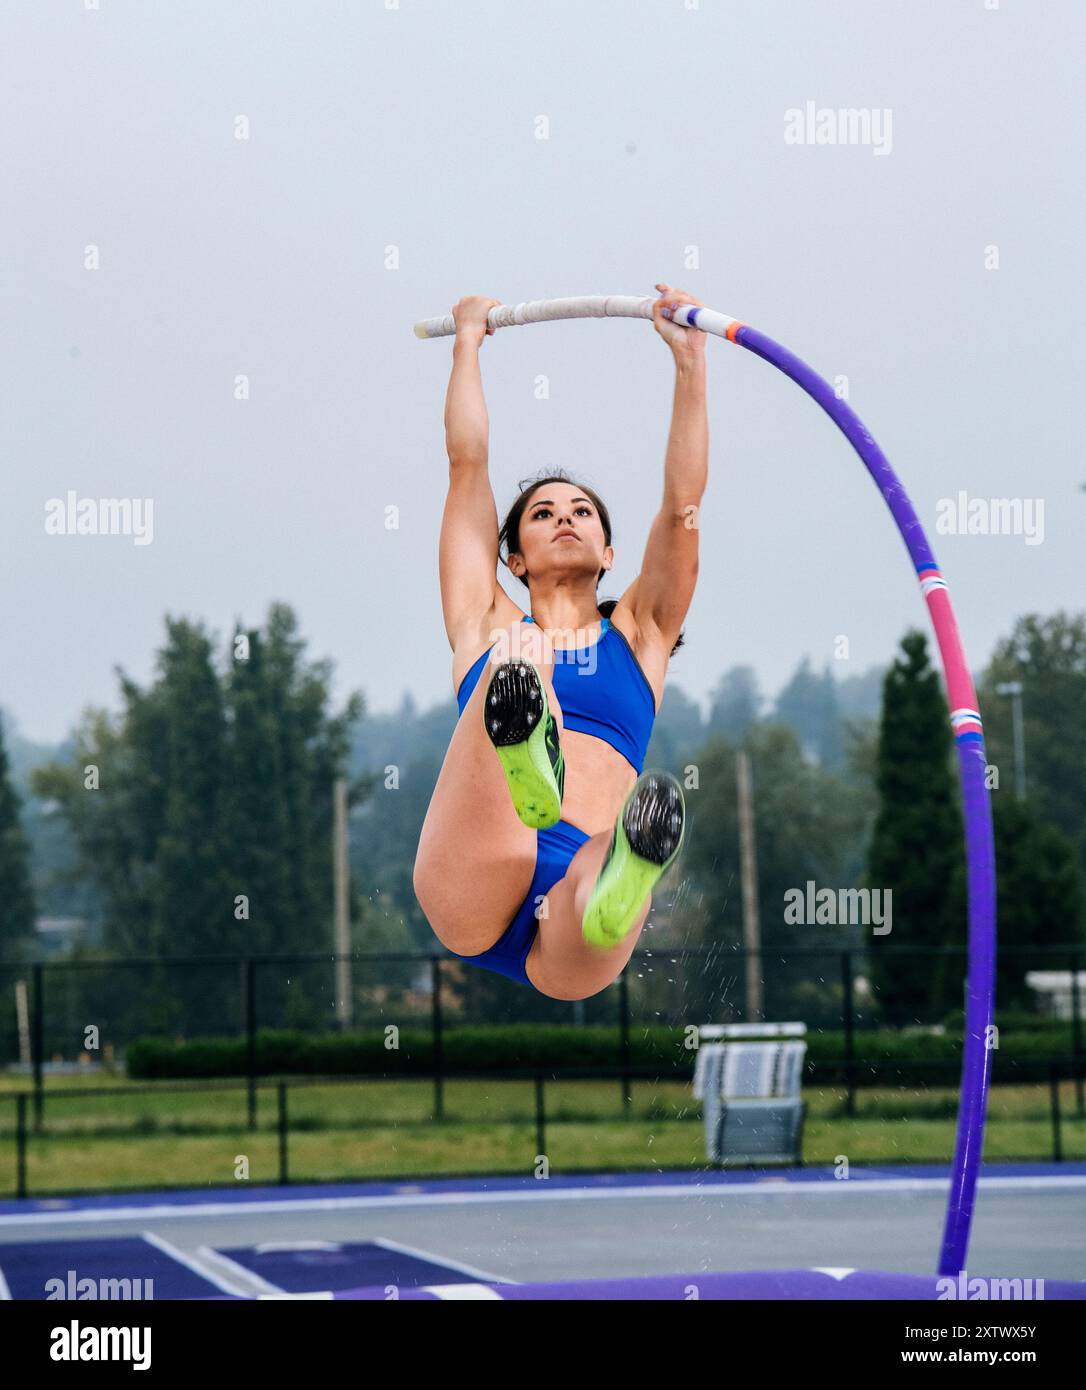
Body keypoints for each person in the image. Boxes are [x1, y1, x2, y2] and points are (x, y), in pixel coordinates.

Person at [413, 284, 708, 1000]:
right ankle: (527, 750)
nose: (565, 518)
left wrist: (691, 368)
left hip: (576, 903)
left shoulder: (641, 634)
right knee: (521, 657)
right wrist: (468, 344)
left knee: (607, 860)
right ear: (513, 557)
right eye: (543, 515)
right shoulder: (486, 619)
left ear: (611, 553)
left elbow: (681, 508)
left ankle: (621, 879)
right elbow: (466, 468)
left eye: (582, 512)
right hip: (479, 872)